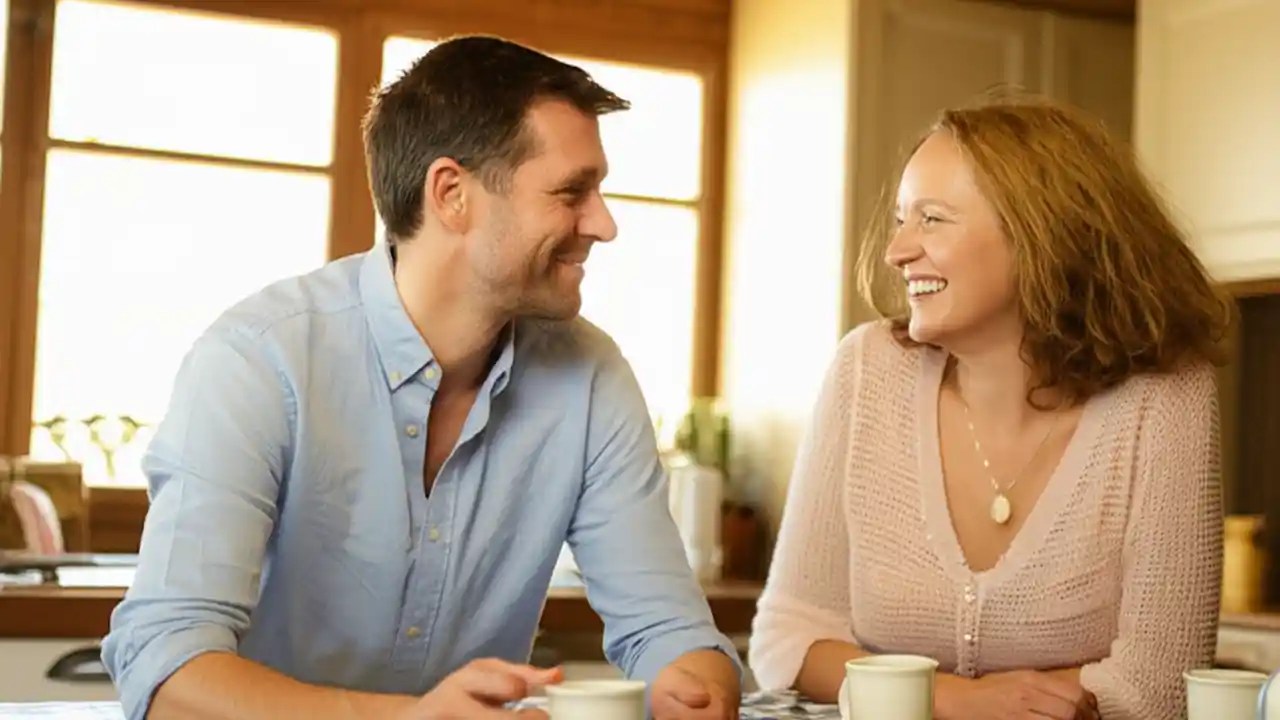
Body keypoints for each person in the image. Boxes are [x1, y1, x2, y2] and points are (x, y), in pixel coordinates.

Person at [102, 35, 741, 720]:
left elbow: (671, 634)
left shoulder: (591, 377)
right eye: (570, 192)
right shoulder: (259, 359)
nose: (604, 224)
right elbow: (167, 666)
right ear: (452, 194)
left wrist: (694, 687)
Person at [748, 95, 1230, 720]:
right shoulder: (866, 371)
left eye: (932, 219)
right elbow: (788, 637)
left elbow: (1157, 684)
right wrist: (957, 700)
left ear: (1042, 234)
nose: (897, 250)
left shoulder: (1165, 396)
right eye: (901, 218)